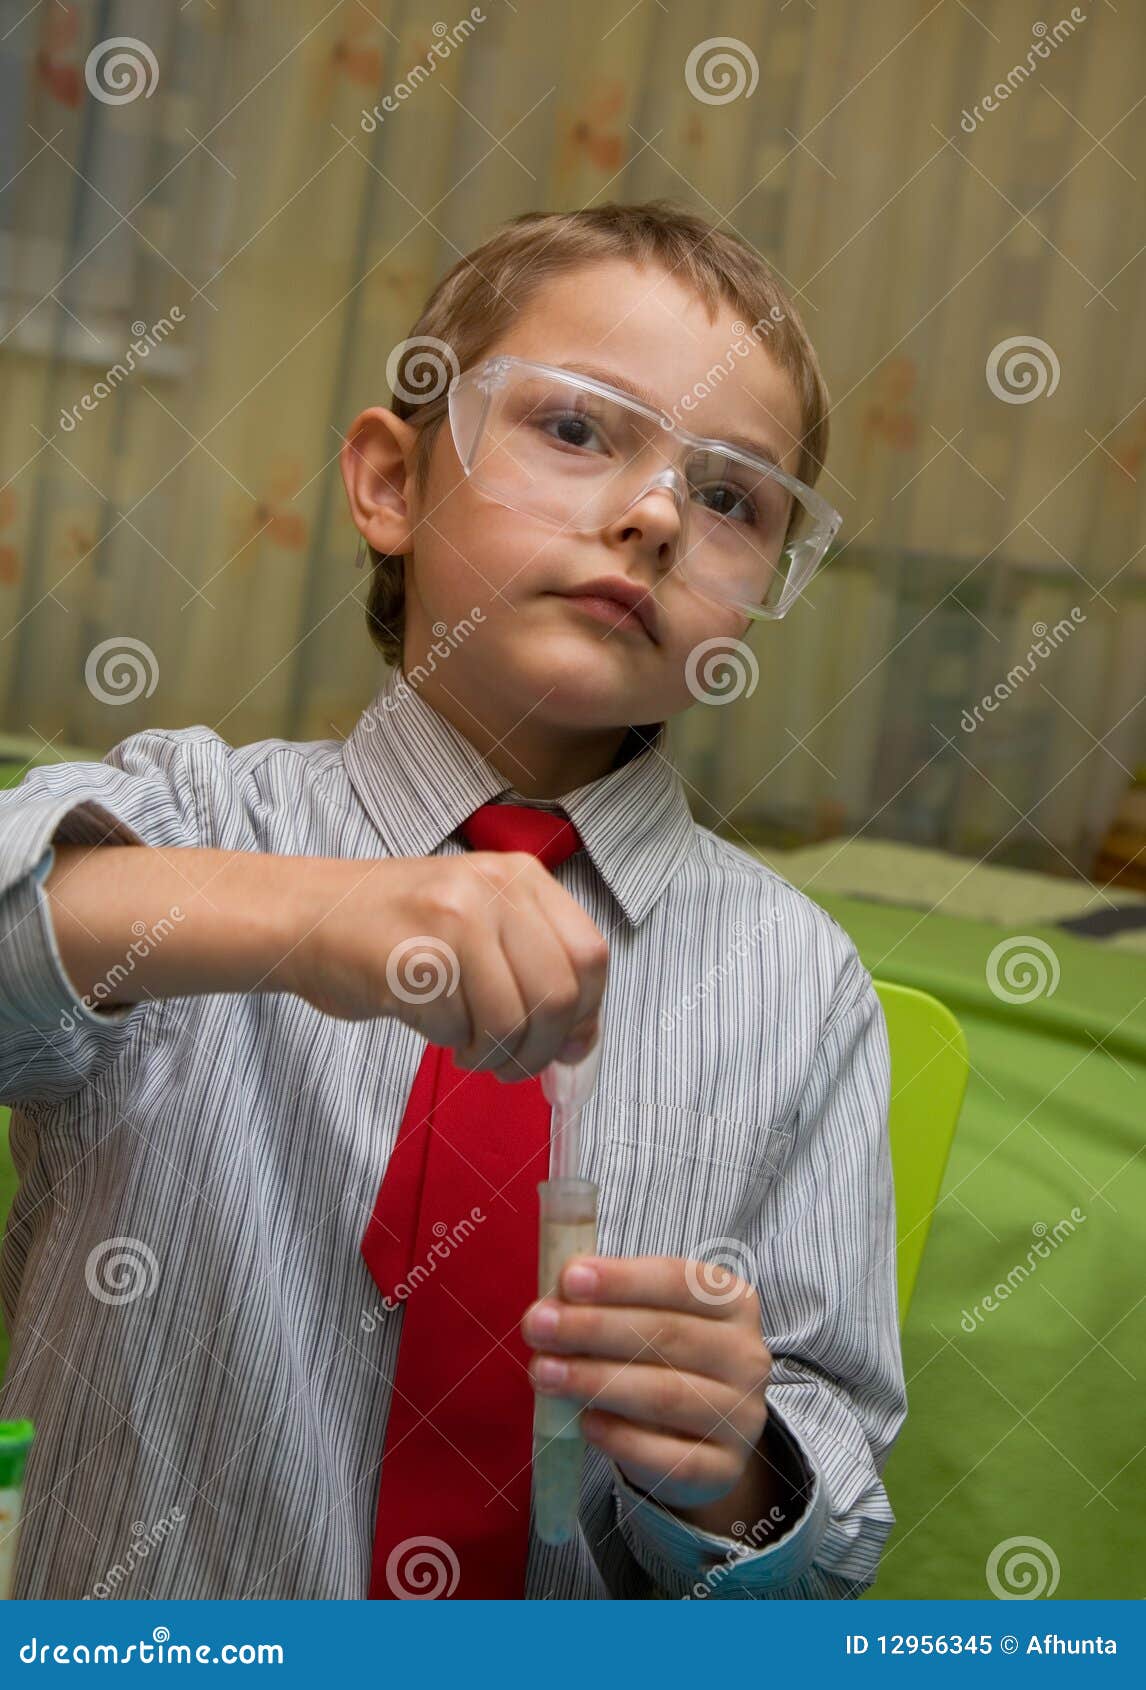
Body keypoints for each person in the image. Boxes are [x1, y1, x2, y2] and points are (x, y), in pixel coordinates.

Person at [0, 200, 905, 1599]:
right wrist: (303, 918)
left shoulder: (802, 985)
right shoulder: (187, 822)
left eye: (733, 498)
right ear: (389, 482)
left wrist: (733, 1472)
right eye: (578, 428)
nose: (658, 513)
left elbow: (827, 1528)